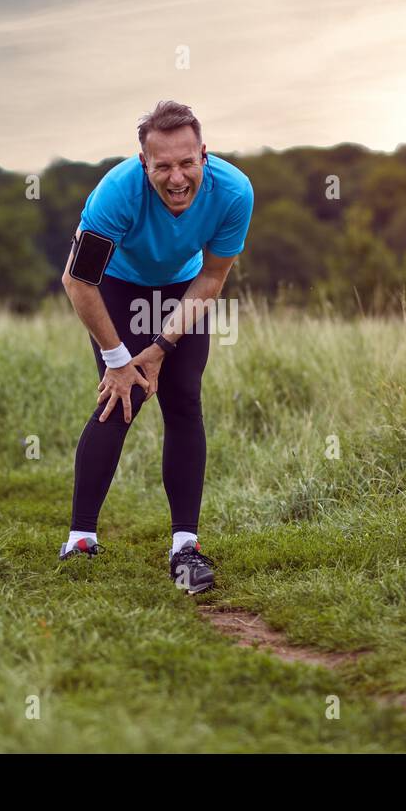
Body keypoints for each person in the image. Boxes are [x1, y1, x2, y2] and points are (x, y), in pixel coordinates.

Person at [59, 99, 254, 594]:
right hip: (117, 287)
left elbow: (213, 275)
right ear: (143, 162)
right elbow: (78, 281)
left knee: (184, 400)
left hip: (184, 290)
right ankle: (81, 539)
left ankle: (185, 548)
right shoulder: (116, 194)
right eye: (162, 165)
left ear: (204, 155)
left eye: (187, 162)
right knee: (120, 398)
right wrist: (119, 358)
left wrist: (163, 344)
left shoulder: (234, 193)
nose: (176, 177)